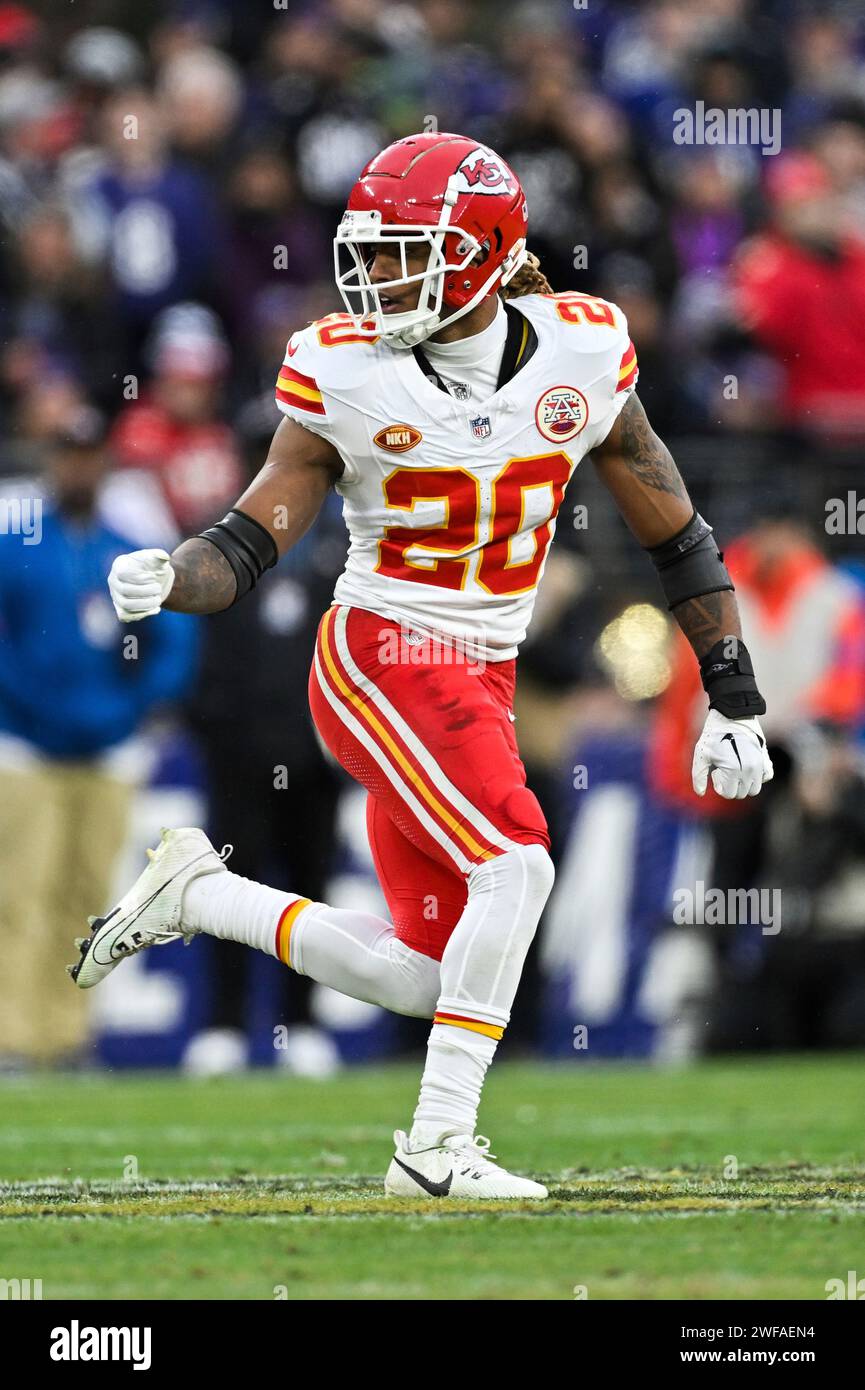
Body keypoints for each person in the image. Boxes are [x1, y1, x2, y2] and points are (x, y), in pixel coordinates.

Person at [71, 133, 773, 1197]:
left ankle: (203, 896)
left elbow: (672, 527)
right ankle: (434, 1147)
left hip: (482, 671)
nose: (381, 278)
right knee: (520, 863)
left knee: (436, 974)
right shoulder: (342, 369)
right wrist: (173, 575)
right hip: (382, 650)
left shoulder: (582, 350)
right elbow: (250, 537)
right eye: (373, 252)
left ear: (487, 253)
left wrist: (731, 692)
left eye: (410, 252)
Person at [0, 406, 195, 1065]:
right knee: (19, 891)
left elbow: (175, 637)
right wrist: (27, 703)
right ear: (51, 463)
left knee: (89, 896)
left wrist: (133, 707)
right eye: (66, 454)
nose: (76, 466)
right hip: (25, 744)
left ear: (104, 464)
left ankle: (67, 1035)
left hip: (109, 748)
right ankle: (14, 1035)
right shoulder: (18, 541)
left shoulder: (125, 547)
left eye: (87, 454)